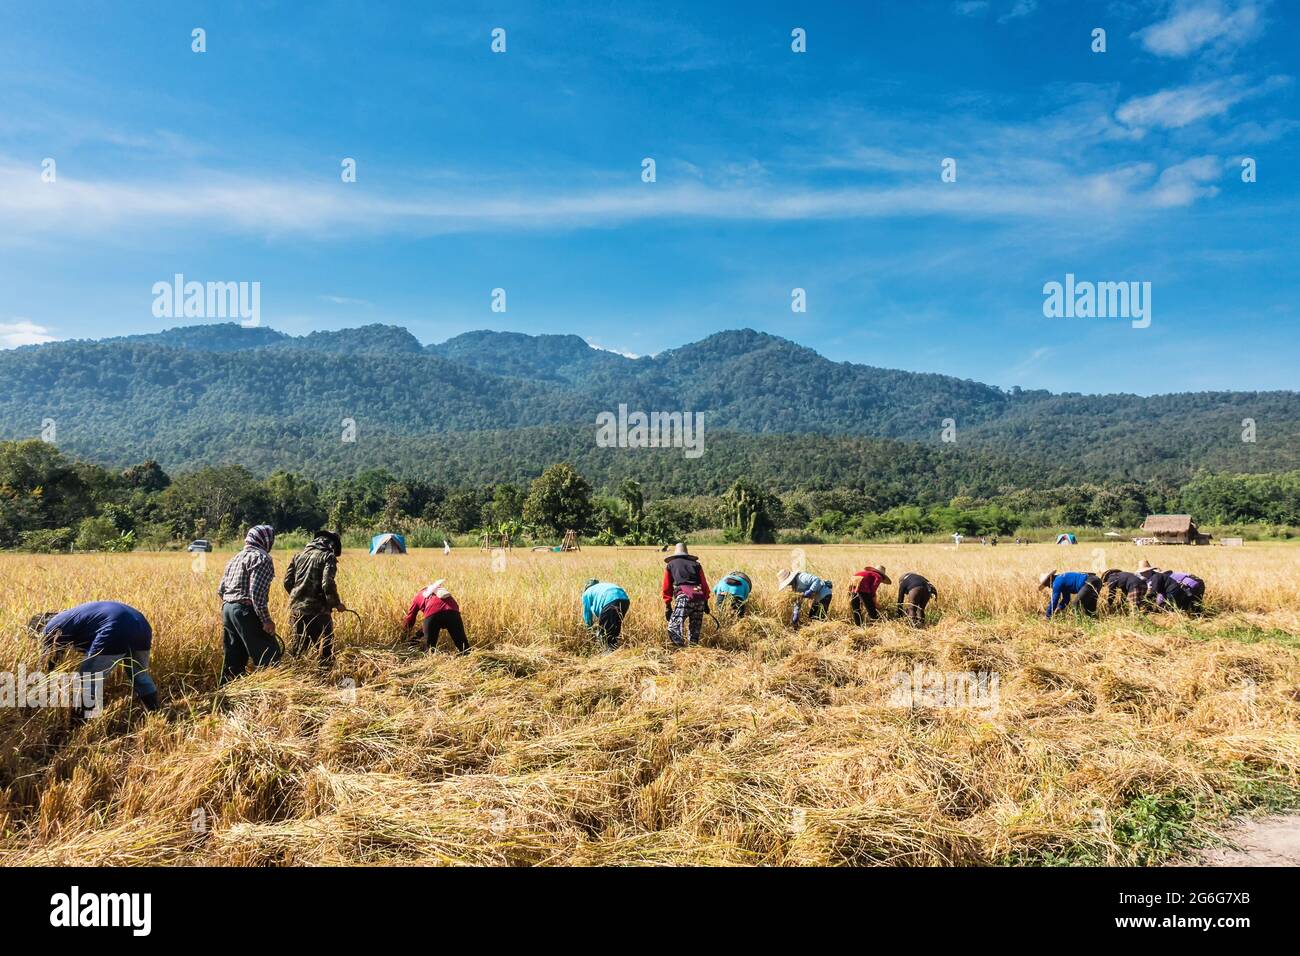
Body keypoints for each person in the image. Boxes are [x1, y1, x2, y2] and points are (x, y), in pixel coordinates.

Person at [28, 601, 159, 713]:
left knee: (87, 681)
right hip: (141, 624)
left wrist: (34, 693)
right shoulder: (70, 616)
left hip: (115, 626)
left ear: (38, 629)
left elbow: (49, 665)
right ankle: (155, 712)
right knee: (140, 676)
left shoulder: (50, 628)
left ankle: (78, 726)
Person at [218, 524, 281, 684]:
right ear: (266, 540)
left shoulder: (235, 558)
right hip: (246, 610)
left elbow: (221, 590)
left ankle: (227, 694)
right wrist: (265, 619)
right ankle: (273, 693)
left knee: (234, 657)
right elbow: (257, 593)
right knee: (269, 654)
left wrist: (233, 607)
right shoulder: (261, 558)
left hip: (228, 609)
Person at [283, 529, 347, 664]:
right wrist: (336, 603)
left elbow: (287, 582)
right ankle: (325, 679)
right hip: (318, 612)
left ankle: (297, 678)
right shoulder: (327, 556)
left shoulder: (298, 556)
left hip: (297, 610)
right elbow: (327, 583)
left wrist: (299, 597)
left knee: (298, 649)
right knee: (325, 650)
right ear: (332, 545)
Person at [402, 579, 470, 653]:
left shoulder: (418, 596)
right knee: (464, 648)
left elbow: (410, 619)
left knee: (429, 650)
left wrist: (405, 633)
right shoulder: (441, 591)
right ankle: (470, 660)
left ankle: (426, 657)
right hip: (453, 613)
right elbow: (448, 610)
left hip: (433, 615)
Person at [662, 542, 710, 647]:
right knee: (694, 631)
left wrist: (667, 605)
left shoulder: (671, 565)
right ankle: (693, 651)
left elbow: (667, 586)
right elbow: (704, 584)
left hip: (684, 597)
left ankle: (681, 650)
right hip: (699, 598)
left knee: (673, 628)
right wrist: (705, 602)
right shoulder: (696, 565)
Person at [582, 579, 630, 649]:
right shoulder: (601, 587)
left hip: (610, 599)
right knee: (614, 629)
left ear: (586, 587)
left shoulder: (586, 593)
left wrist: (589, 628)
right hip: (624, 599)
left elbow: (587, 614)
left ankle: (607, 653)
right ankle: (614, 651)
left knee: (604, 632)